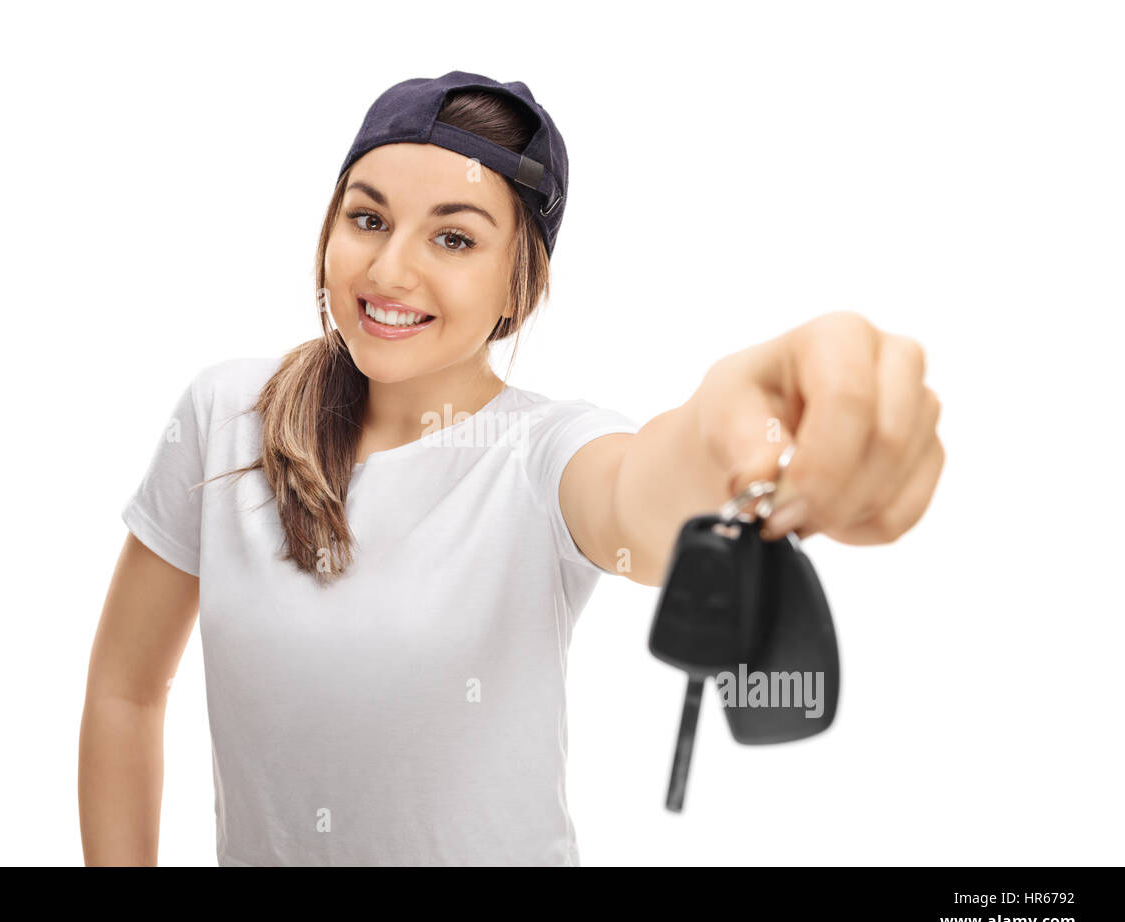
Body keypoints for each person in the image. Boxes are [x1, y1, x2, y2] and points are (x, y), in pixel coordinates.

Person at [78, 71, 944, 867]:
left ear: (518, 287)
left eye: (454, 238)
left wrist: (726, 430)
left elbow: (638, 494)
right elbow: (126, 689)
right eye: (368, 219)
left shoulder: (541, 455)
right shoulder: (226, 416)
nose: (388, 271)